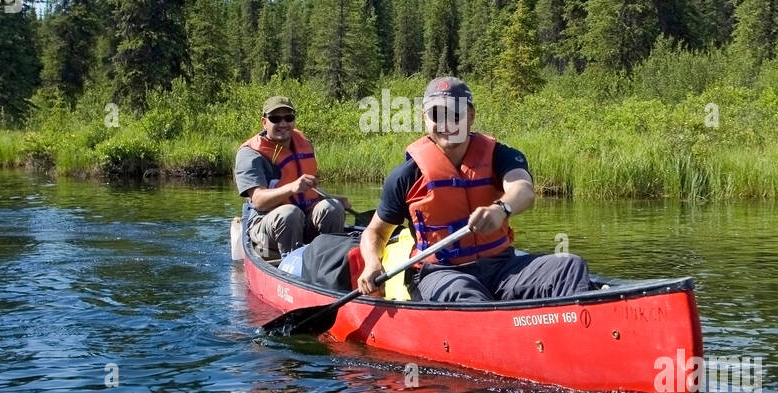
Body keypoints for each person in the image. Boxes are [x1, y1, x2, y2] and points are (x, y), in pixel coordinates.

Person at [357, 77, 590, 302]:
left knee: (569, 266)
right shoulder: (406, 176)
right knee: (466, 293)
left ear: (471, 115)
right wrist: (372, 264)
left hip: (502, 267)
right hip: (441, 273)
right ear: (425, 119)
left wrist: (501, 209)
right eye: (437, 114)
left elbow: (524, 189)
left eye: (455, 113)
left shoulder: (501, 155)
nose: (447, 123)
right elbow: (375, 232)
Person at [236, 95, 350, 259]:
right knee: (289, 213)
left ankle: (331, 262)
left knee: (332, 207)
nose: (283, 124)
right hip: (264, 229)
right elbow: (258, 200)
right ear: (264, 122)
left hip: (303, 220)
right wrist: (292, 187)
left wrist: (336, 199)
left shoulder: (303, 143)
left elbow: (310, 191)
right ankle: (289, 267)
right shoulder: (250, 155)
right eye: (275, 119)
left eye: (288, 118)